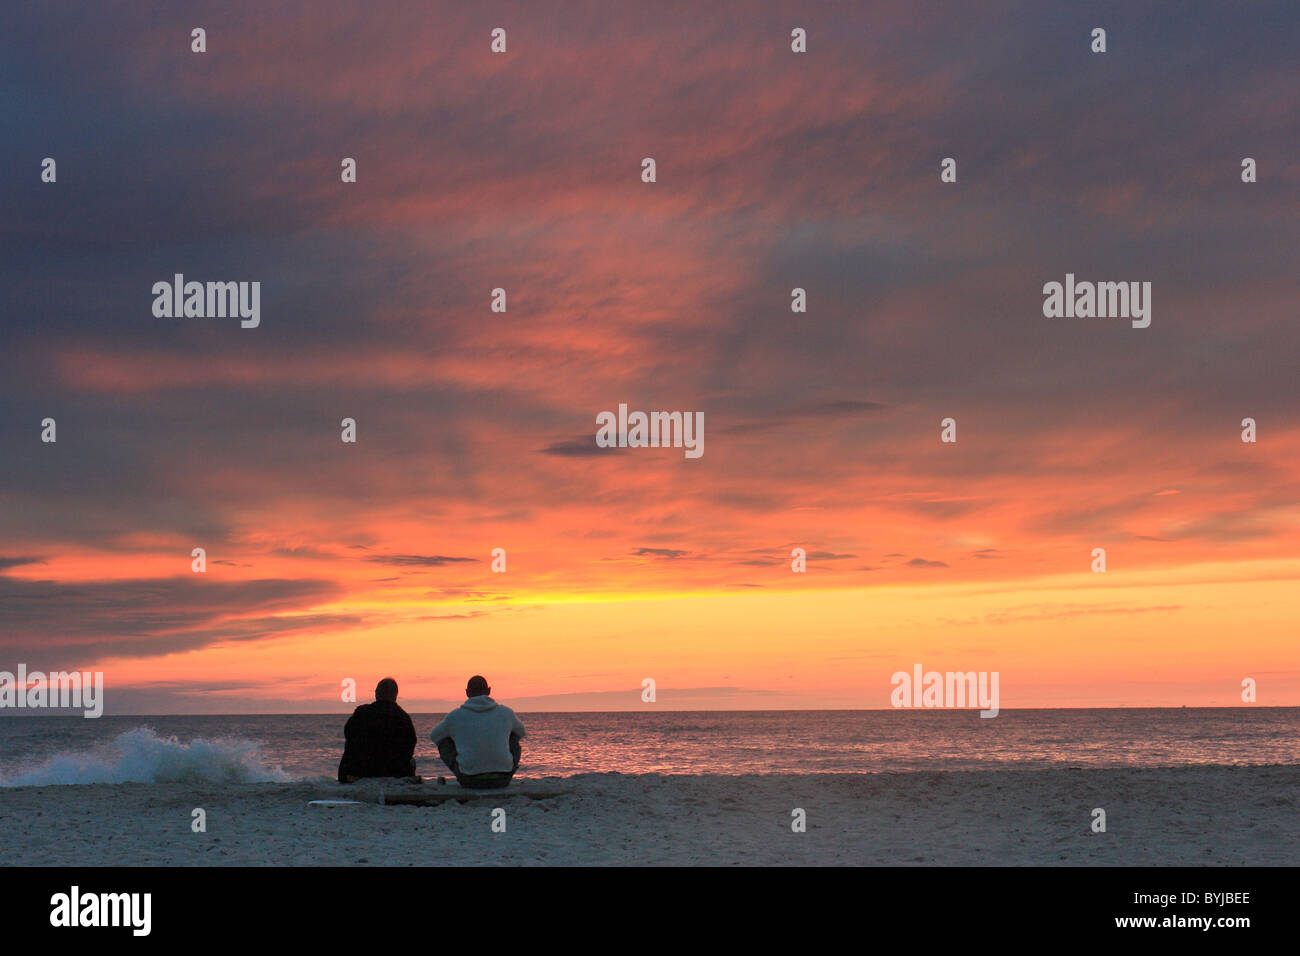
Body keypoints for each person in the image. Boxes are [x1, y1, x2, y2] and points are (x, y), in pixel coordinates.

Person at [431, 675, 525, 789]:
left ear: (467, 693)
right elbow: (522, 732)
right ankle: (500, 768)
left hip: (469, 780)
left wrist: (459, 739)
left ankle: (467, 768)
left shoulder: (455, 716)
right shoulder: (506, 713)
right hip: (502, 780)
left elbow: (435, 736)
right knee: (514, 735)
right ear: (489, 691)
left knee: (444, 741)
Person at [337, 677, 418, 783]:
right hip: (393, 771)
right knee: (411, 762)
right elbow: (410, 745)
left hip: (361, 770)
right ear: (395, 695)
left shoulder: (361, 713)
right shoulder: (403, 718)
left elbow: (349, 734)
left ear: (377, 693)